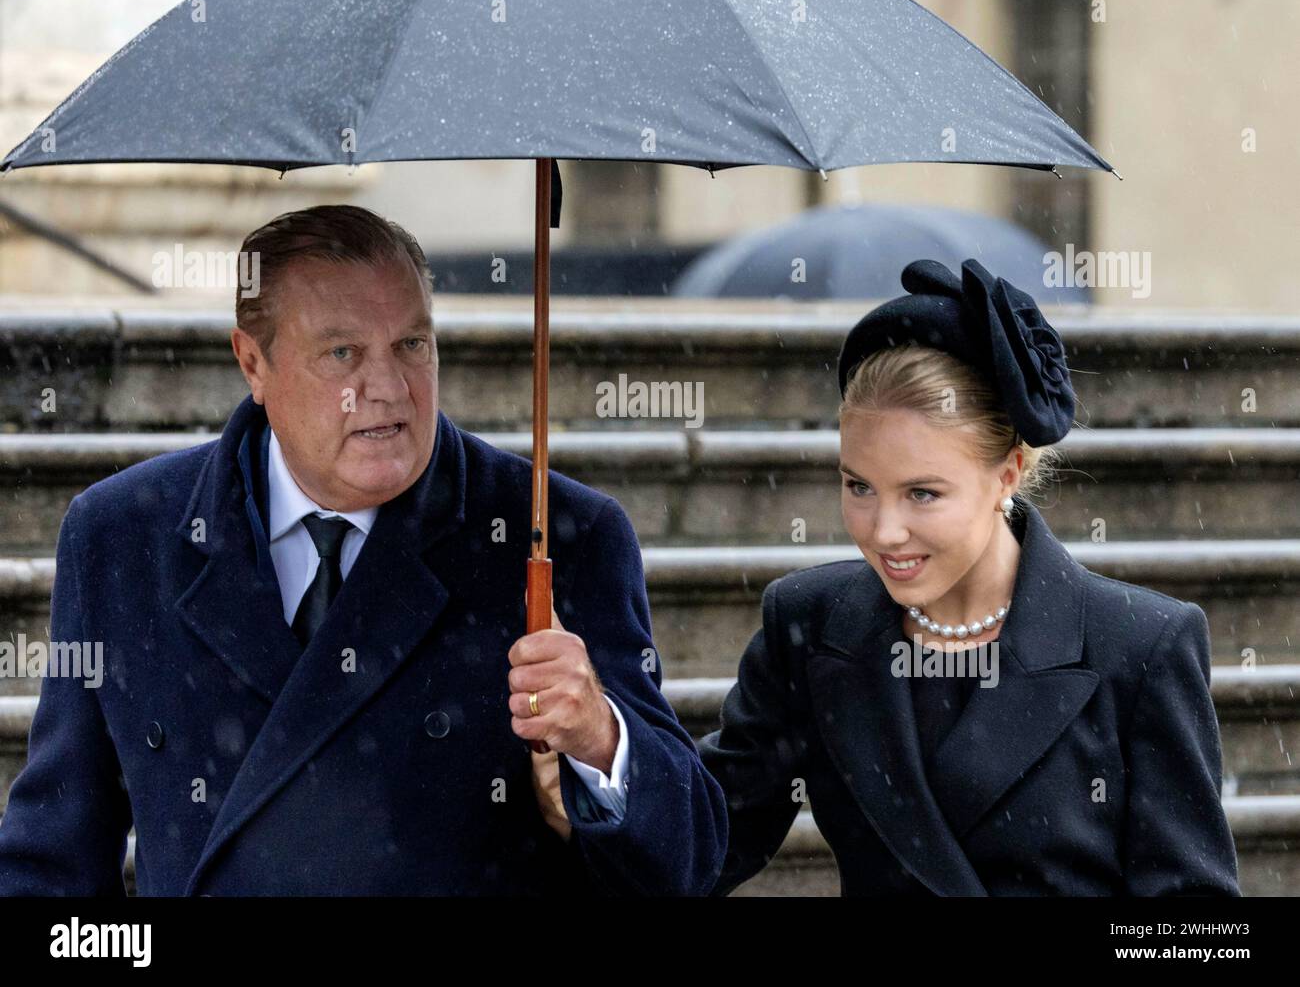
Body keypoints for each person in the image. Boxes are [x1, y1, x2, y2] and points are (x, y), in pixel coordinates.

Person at [0, 204, 726, 896]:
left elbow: (687, 862)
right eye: (342, 352)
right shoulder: (124, 536)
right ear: (253, 364)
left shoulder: (556, 532)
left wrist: (602, 740)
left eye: (411, 344)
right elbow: (54, 859)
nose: (385, 389)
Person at [698, 258, 1240, 897]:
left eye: (922, 493)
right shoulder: (810, 622)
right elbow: (701, 839)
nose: (883, 530)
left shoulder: (1141, 645)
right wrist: (594, 751)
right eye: (858, 486)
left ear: (1007, 474)